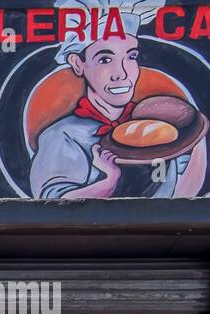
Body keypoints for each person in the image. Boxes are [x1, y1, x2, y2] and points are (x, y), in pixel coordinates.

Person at [30, 0, 206, 199]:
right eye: (105, 59)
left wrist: (195, 135)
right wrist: (109, 181)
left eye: (131, 57)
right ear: (78, 64)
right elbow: (50, 206)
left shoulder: (155, 129)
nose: (122, 73)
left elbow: (185, 195)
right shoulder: (62, 135)